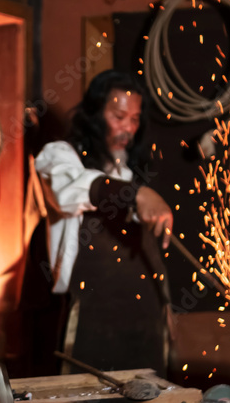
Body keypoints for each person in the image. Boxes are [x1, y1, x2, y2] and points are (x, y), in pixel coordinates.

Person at [33, 70, 175, 376]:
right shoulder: (59, 156)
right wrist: (135, 194)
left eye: (134, 119)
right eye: (119, 117)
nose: (128, 128)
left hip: (143, 322)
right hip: (90, 321)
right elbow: (67, 191)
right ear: (95, 113)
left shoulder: (130, 171)